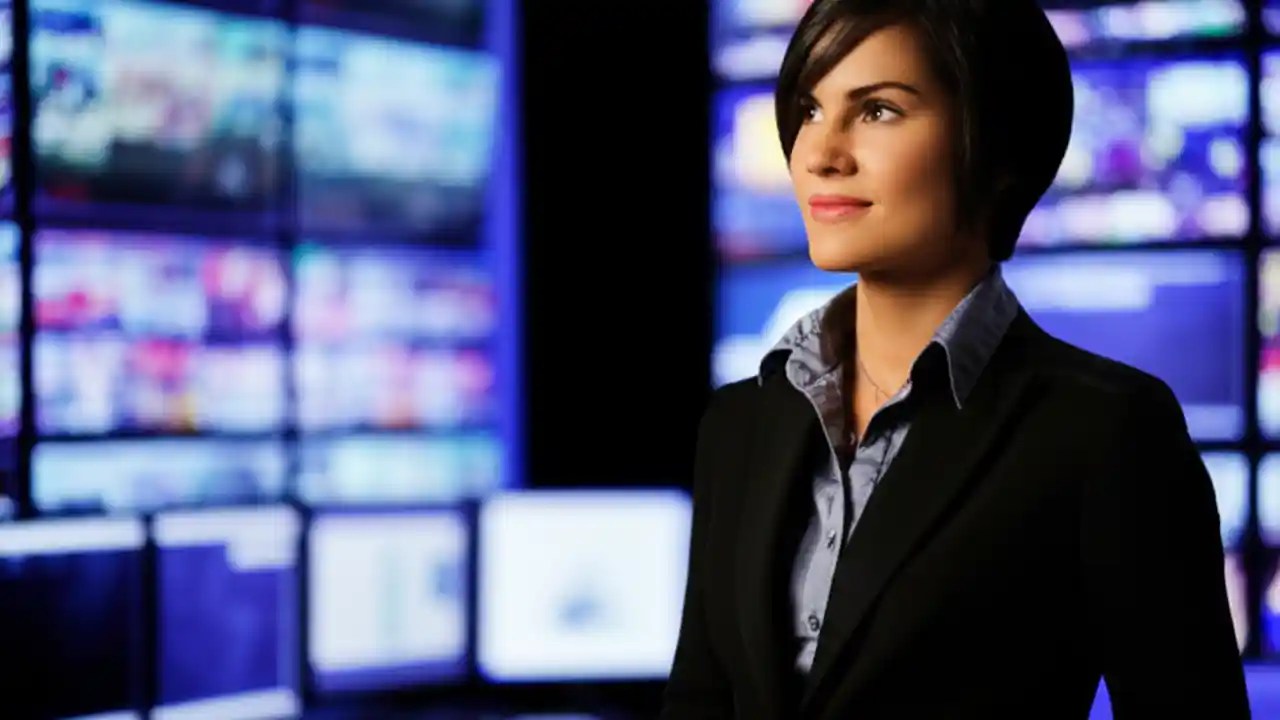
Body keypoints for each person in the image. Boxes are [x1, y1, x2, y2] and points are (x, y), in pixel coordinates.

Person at [660, 1, 1251, 718]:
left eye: (877, 111)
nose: (821, 154)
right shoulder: (740, 424)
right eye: (810, 110)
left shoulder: (1108, 430)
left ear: (996, 145)